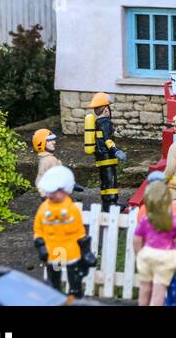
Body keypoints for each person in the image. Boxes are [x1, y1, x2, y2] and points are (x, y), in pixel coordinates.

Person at [33, 166, 95, 298]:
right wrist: (40, 244)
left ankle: (75, 295)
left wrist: (85, 250)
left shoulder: (71, 208)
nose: (51, 195)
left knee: (74, 275)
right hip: (54, 251)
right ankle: (55, 295)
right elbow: (38, 229)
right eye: (50, 192)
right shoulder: (44, 209)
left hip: (71, 250)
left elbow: (79, 230)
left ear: (64, 191)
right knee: (55, 275)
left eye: (54, 192)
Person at [133, 180, 176, 306]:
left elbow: (137, 240)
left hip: (146, 255)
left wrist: (139, 254)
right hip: (164, 256)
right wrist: (174, 252)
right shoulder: (174, 219)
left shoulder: (146, 218)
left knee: (145, 288)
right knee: (159, 291)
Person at [83, 92, 125, 210]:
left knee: (105, 180)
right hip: (107, 156)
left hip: (99, 156)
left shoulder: (97, 123)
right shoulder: (106, 123)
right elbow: (108, 140)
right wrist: (116, 151)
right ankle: (112, 204)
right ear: (106, 109)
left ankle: (106, 204)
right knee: (111, 180)